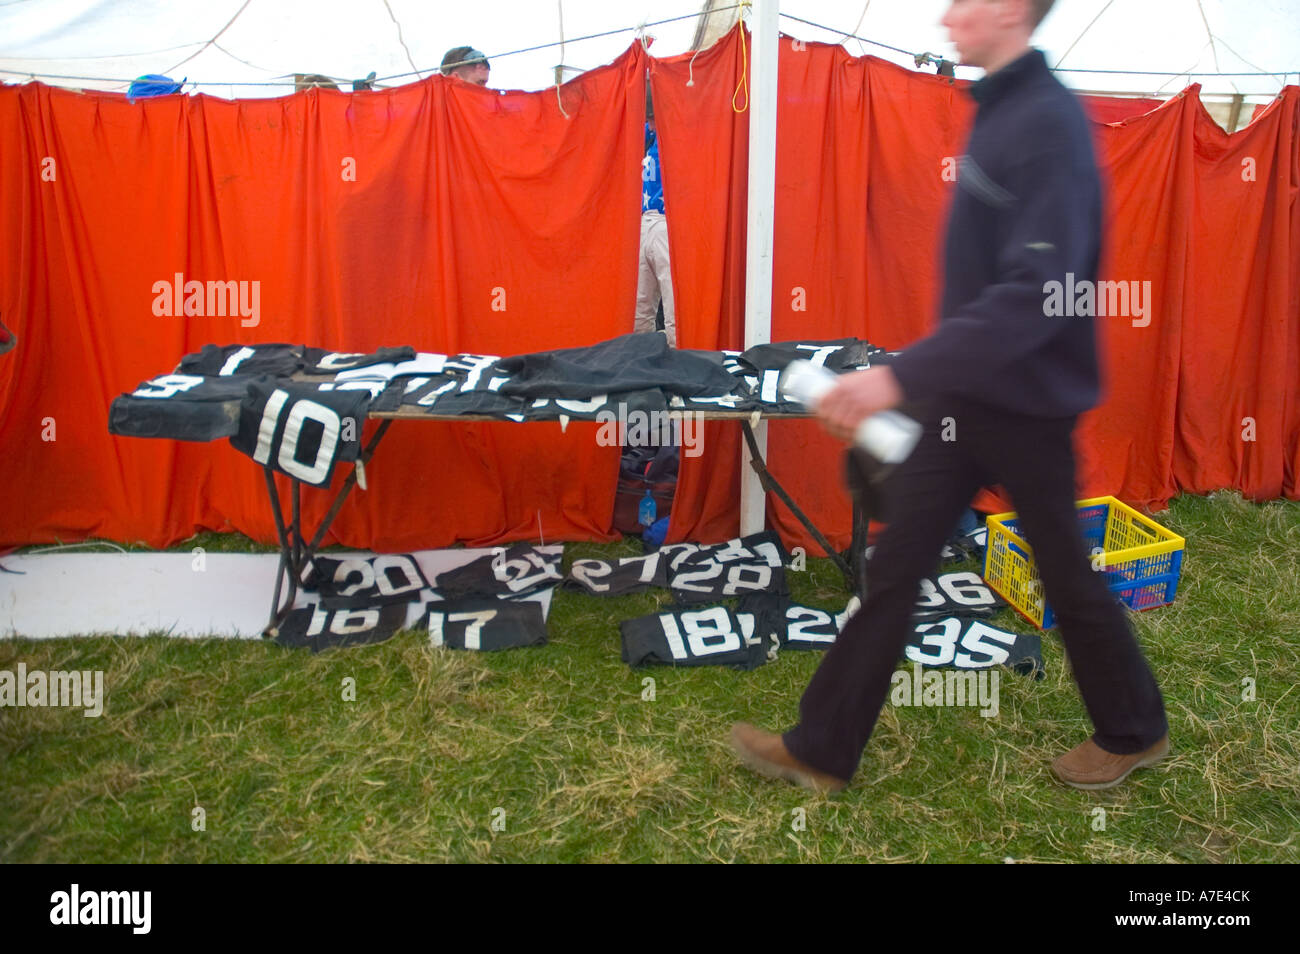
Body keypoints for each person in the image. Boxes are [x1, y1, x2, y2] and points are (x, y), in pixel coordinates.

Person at [731, 0, 1170, 793]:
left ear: (1008, 9)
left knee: (1065, 573)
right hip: (964, 400)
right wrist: (929, 380)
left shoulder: (1048, 126)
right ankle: (822, 748)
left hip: (1029, 406)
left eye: (963, 2)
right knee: (895, 568)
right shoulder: (999, 113)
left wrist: (898, 375)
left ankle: (1134, 729)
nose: (946, 17)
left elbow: (1040, 290)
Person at [634, 88, 676, 347]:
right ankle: (640, 357)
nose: (649, 121)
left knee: (672, 302)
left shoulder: (675, 132)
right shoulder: (649, 135)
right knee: (639, 305)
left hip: (665, 220)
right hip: (642, 220)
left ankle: (677, 358)